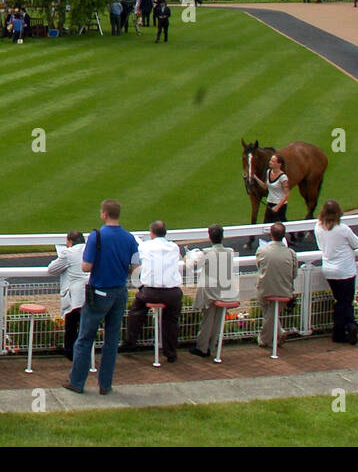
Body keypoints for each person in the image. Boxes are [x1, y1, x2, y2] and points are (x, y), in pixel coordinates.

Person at [64, 199, 139, 395]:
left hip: (99, 292)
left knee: (85, 338)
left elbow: (86, 266)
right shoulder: (129, 238)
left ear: (104, 214)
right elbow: (135, 267)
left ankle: (77, 382)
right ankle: (105, 385)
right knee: (112, 340)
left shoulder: (97, 236)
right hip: (119, 292)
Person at [121, 221, 183, 360]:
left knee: (136, 311)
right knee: (172, 321)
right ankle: (171, 353)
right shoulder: (174, 247)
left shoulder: (145, 246)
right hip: (172, 292)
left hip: (151, 293)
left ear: (152, 233)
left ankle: (130, 342)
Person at [315, 200, 358, 344]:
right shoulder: (343, 229)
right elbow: (357, 243)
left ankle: (345, 328)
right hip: (345, 271)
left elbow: (321, 246)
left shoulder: (318, 227)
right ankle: (345, 329)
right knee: (345, 302)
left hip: (329, 270)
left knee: (341, 301)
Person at [190, 224, 240, 357]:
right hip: (224, 292)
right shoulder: (229, 251)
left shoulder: (206, 253)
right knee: (217, 320)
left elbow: (192, 265)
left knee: (208, 320)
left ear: (210, 237)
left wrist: (187, 258)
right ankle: (211, 345)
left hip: (210, 293)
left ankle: (202, 348)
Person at [254, 222, 298, 347]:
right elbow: (294, 274)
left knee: (269, 310)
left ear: (271, 235)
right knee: (272, 310)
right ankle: (279, 331)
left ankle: (265, 339)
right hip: (284, 291)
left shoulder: (262, 250)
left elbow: (259, 268)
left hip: (266, 291)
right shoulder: (291, 253)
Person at [47, 230, 87, 361]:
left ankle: (71, 353)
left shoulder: (68, 253)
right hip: (93, 294)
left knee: (71, 324)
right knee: (86, 326)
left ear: (70, 242)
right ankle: (83, 354)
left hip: (77, 297)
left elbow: (52, 269)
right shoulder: (92, 251)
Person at [250, 154, 291, 222]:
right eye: (270, 160)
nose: (270, 162)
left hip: (280, 206)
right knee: (266, 224)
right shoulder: (268, 172)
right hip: (270, 203)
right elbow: (265, 187)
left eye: (273, 161)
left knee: (280, 224)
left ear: (279, 164)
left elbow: (287, 195)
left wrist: (277, 207)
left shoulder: (283, 178)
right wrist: (255, 177)